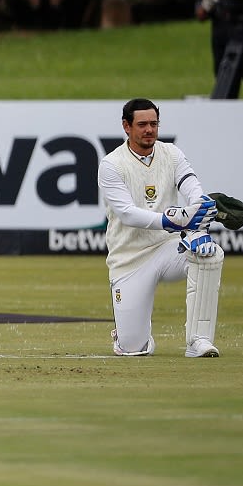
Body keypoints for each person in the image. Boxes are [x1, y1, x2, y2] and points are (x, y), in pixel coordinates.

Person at [98, 98, 223, 358]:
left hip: (168, 248)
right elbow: (127, 214)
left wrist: (201, 207)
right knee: (133, 349)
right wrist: (170, 220)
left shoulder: (171, 153)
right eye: (142, 124)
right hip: (129, 258)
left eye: (153, 124)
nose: (149, 130)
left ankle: (198, 340)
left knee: (210, 254)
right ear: (126, 126)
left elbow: (191, 186)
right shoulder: (111, 165)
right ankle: (130, 332)